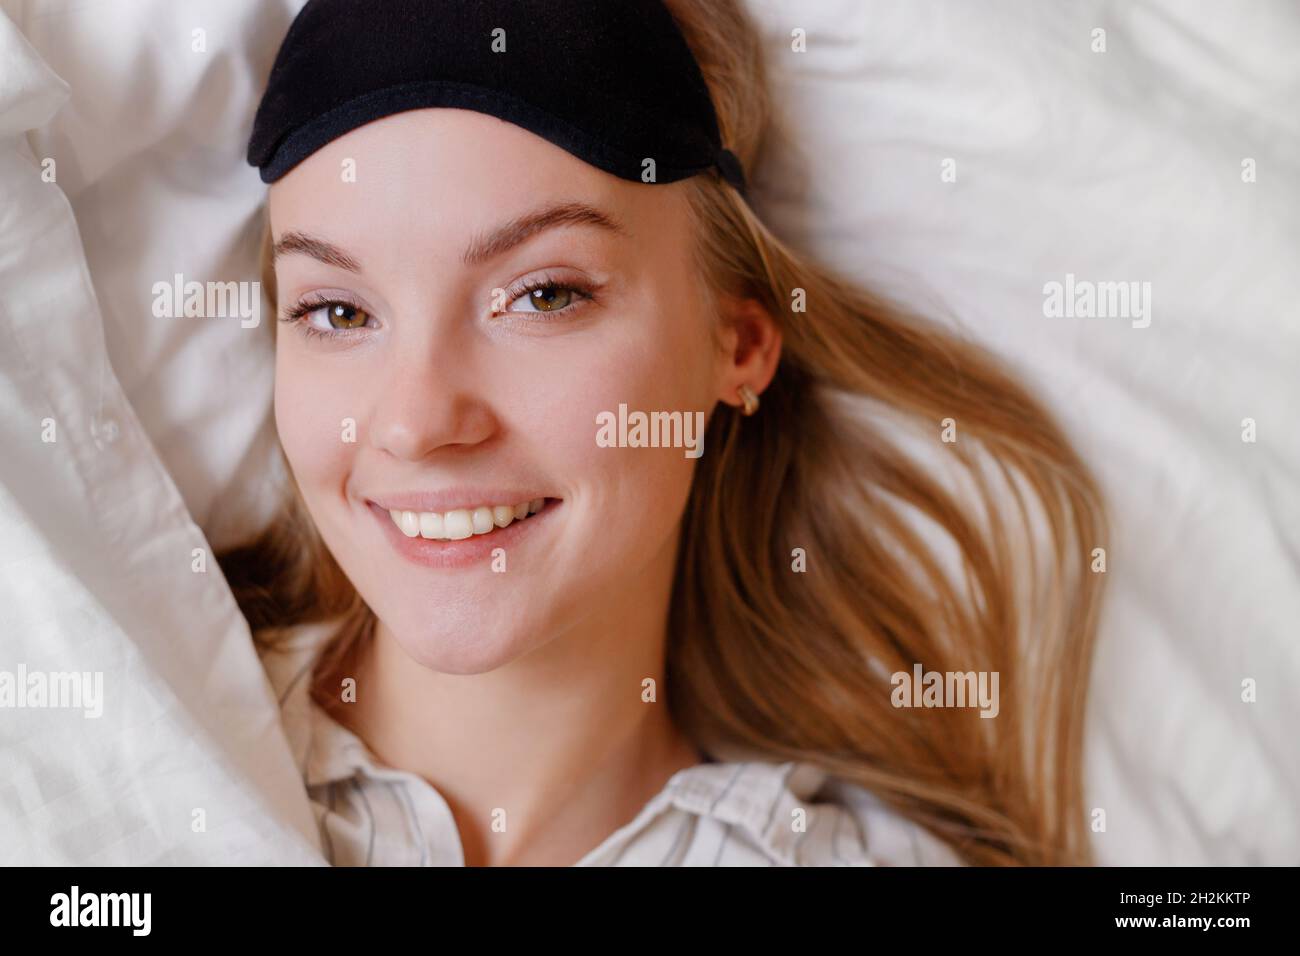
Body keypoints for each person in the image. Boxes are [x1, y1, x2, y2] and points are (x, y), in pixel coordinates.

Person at [219, 0, 1107, 866]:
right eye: (337, 310)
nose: (415, 423)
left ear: (740, 347)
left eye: (544, 295)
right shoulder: (144, 711)